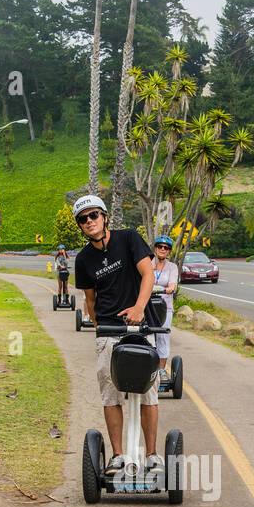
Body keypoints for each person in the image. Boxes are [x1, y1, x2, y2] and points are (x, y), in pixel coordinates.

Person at [72, 194, 161, 480]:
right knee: (110, 393)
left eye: (93, 215)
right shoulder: (84, 260)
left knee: (148, 390)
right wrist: (101, 329)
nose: (89, 221)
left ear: (105, 216)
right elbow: (90, 299)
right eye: (83, 219)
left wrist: (138, 308)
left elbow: (148, 274)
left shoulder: (129, 239)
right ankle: (118, 456)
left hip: (139, 330)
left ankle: (152, 455)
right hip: (108, 332)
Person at [151, 234, 178, 382]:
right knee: (145, 335)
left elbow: (173, 284)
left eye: (166, 248)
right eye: (160, 246)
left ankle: (161, 370)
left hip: (164, 307)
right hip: (147, 306)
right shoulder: (148, 264)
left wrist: (170, 288)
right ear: (155, 248)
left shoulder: (172, 267)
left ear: (168, 251)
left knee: (162, 337)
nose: (162, 249)